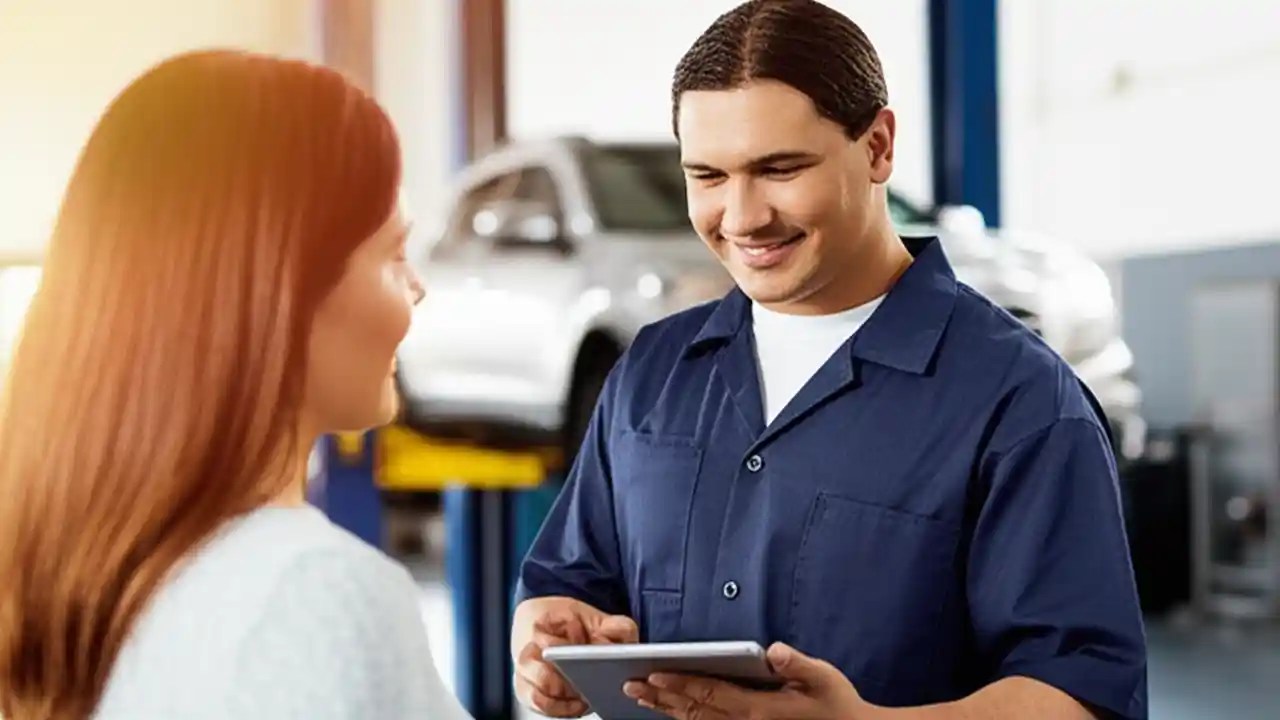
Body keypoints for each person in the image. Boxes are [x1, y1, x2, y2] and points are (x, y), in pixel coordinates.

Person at [511, 1, 1148, 718]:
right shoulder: (653, 372)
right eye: (708, 176)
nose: (743, 215)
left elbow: (1079, 696)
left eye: (779, 168)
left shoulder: (1020, 402)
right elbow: (570, 578)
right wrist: (546, 632)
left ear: (878, 146)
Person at [0, 50, 469, 720]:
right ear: (283, 289)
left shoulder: (85, 589)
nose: (416, 290)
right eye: (394, 254)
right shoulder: (307, 590)